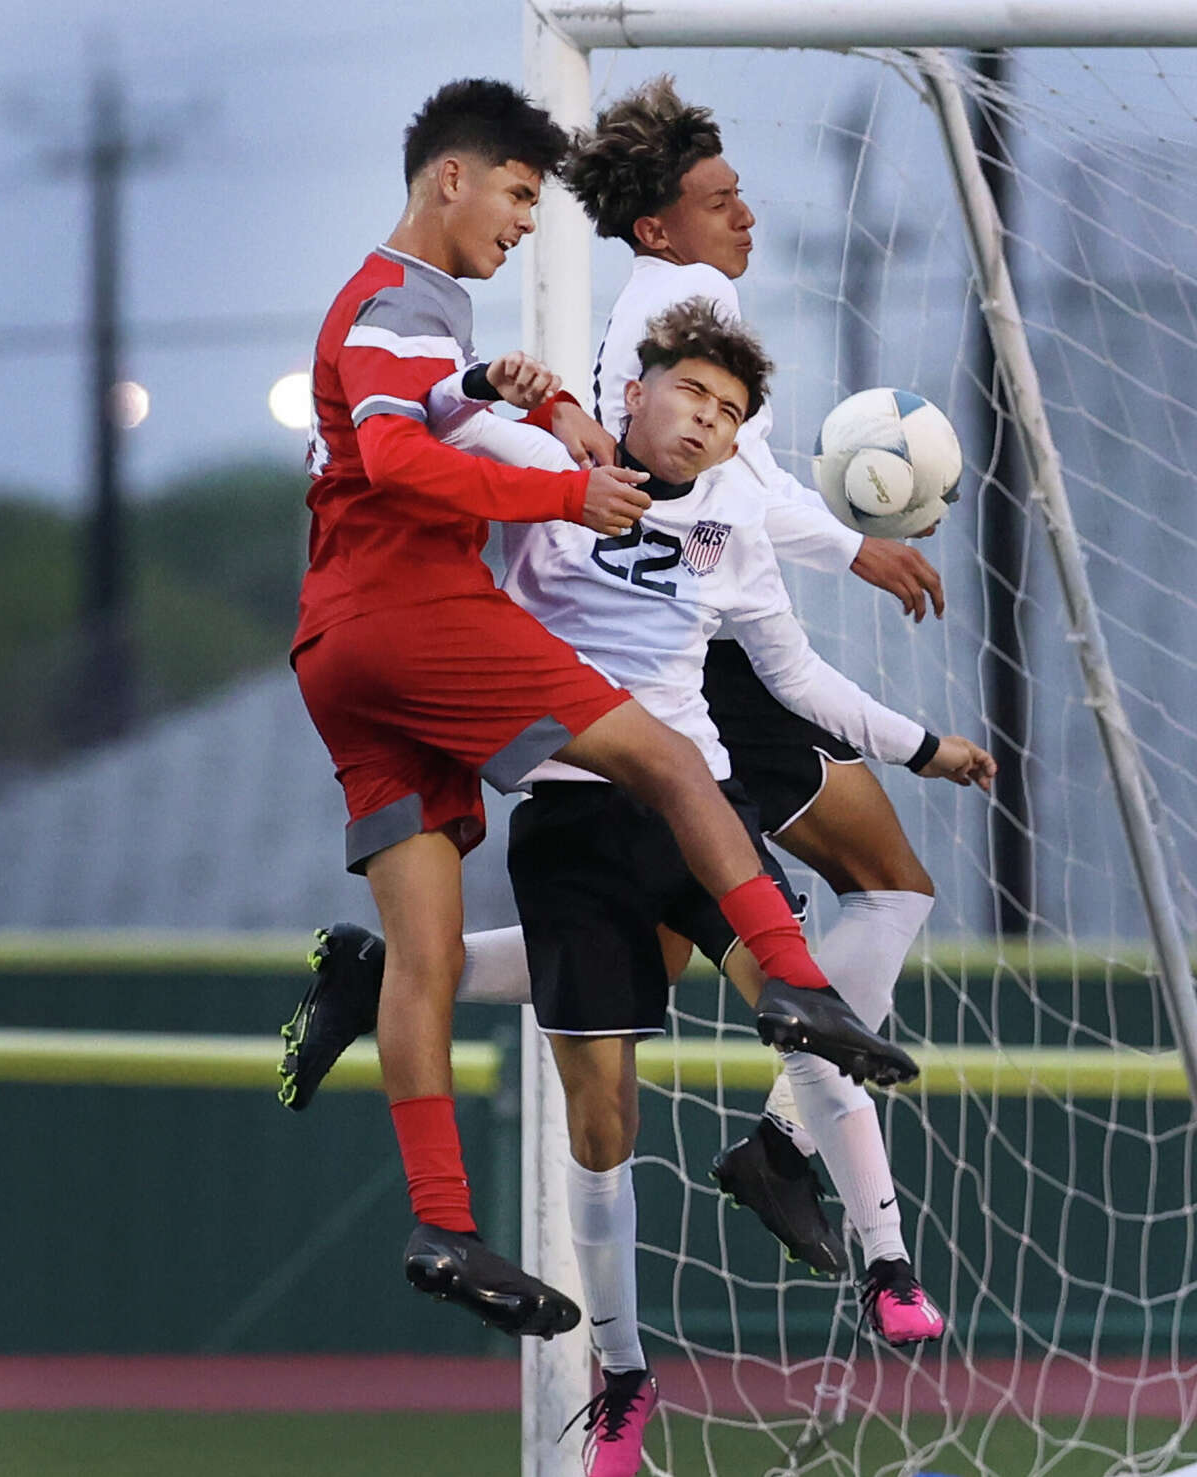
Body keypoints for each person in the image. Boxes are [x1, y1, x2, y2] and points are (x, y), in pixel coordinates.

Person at [287, 76, 914, 1347]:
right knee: (679, 767)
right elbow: (401, 459)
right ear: (448, 178)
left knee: (424, 953)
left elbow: (403, 415)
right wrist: (561, 495)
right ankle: (799, 992)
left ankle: (444, 1221)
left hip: (335, 649)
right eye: (518, 196)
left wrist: (510, 389)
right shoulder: (401, 293)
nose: (525, 225)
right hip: (409, 617)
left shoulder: (407, 319)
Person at [436, 300, 991, 1468]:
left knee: (808, 1011)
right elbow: (434, 415)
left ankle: (887, 1261)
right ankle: (627, 1377)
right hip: (571, 826)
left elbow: (797, 679)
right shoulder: (548, 463)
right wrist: (493, 375)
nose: (708, 421)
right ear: (628, 395)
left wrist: (922, 744)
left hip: (701, 816)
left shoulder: (733, 531)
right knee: (602, 1122)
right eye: (691, 393)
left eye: (732, 412)